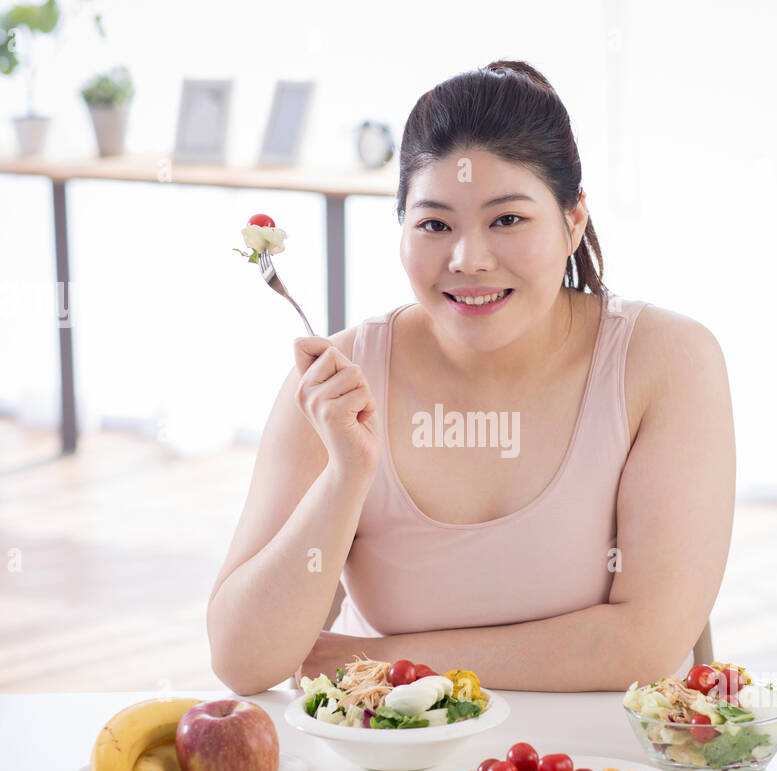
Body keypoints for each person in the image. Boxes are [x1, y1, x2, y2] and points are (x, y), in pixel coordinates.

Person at [207, 60, 734, 694]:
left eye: (507, 219)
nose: (469, 259)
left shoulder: (667, 360)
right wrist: (347, 473)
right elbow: (242, 660)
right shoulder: (339, 383)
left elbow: (645, 641)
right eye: (434, 224)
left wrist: (386, 661)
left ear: (573, 221)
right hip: (398, 767)